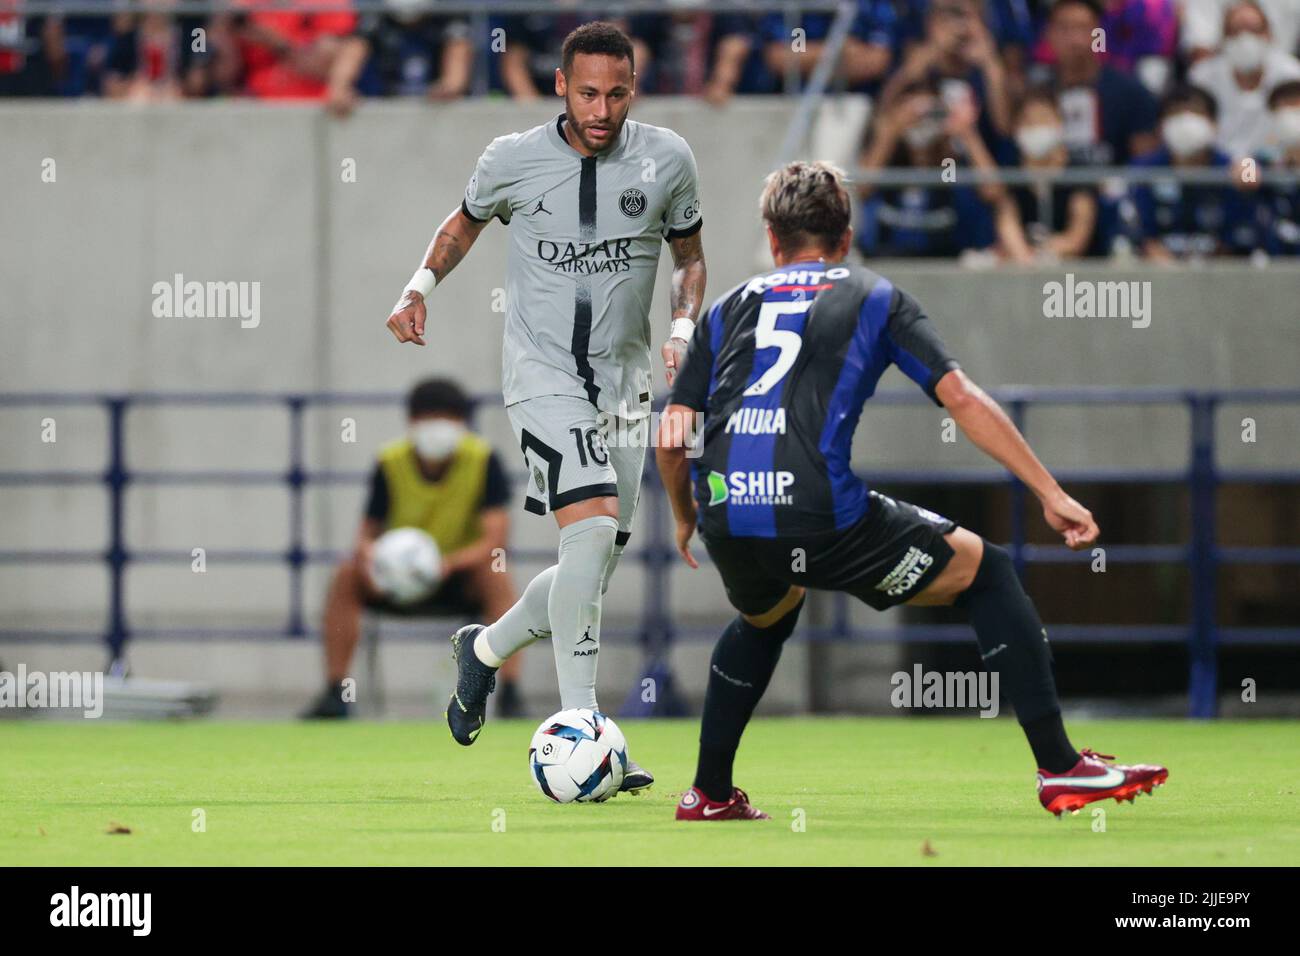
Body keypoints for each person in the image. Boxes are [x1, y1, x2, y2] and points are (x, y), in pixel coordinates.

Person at [656, 160, 1168, 821]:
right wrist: (1049, 490)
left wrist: (684, 516)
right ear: (846, 237)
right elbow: (960, 397)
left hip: (728, 515)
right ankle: (1062, 768)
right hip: (819, 514)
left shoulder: (727, 307)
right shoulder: (873, 295)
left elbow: (671, 437)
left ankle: (709, 793)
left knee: (766, 614)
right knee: (989, 572)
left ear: (773, 240)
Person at [384, 22, 708, 794]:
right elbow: (461, 223)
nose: (602, 109)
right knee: (591, 528)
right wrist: (417, 289)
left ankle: (484, 650)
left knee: (586, 567)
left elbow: (690, 257)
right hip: (542, 373)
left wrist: (686, 326)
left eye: (617, 93)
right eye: (588, 92)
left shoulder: (669, 159)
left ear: (635, 89)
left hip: (626, 383)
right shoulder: (511, 159)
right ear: (560, 85)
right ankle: (584, 731)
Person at [301, 379, 520, 719]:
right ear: (411, 422)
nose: (436, 428)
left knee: (497, 573)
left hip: (456, 577)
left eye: (445, 418)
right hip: (395, 581)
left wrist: (446, 564)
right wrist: (373, 562)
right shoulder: (391, 461)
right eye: (428, 417)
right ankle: (335, 693)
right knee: (346, 574)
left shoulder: (483, 460)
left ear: (461, 422)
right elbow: (364, 536)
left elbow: (495, 540)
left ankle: (511, 694)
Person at [857, 80, 1003, 258]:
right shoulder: (888, 161)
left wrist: (968, 135)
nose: (921, 122)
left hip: (943, 261)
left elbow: (994, 193)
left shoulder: (948, 164)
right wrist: (890, 133)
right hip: (889, 259)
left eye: (929, 115)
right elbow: (862, 189)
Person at [1126, 85, 1256, 260]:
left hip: (1220, 277)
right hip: (1160, 276)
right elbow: (1141, 235)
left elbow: (1239, 238)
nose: (1185, 122)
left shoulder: (1233, 171)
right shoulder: (1143, 170)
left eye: (1196, 113)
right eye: (1176, 114)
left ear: (1214, 124)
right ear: (1160, 127)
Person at [1038, 0, 1161, 166]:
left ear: (1099, 34)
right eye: (1064, 29)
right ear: (1049, 34)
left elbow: (1146, 163)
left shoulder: (1131, 93)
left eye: (1083, 28)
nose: (1075, 39)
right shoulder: (1039, 94)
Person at [996, 90, 1100, 261]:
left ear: (1060, 123)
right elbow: (1007, 224)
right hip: (1025, 270)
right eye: (1028, 122)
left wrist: (1044, 252)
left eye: (1043, 119)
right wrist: (1023, 255)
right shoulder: (1011, 173)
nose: (1036, 127)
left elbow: (1077, 238)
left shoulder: (1079, 172)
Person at [1187, 0, 1300, 158]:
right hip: (1219, 165)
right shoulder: (1202, 76)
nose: (1245, 38)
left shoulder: (1291, 73)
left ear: (1269, 34)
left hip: (1274, 163)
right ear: (1224, 37)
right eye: (1236, 31)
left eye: (1254, 30)